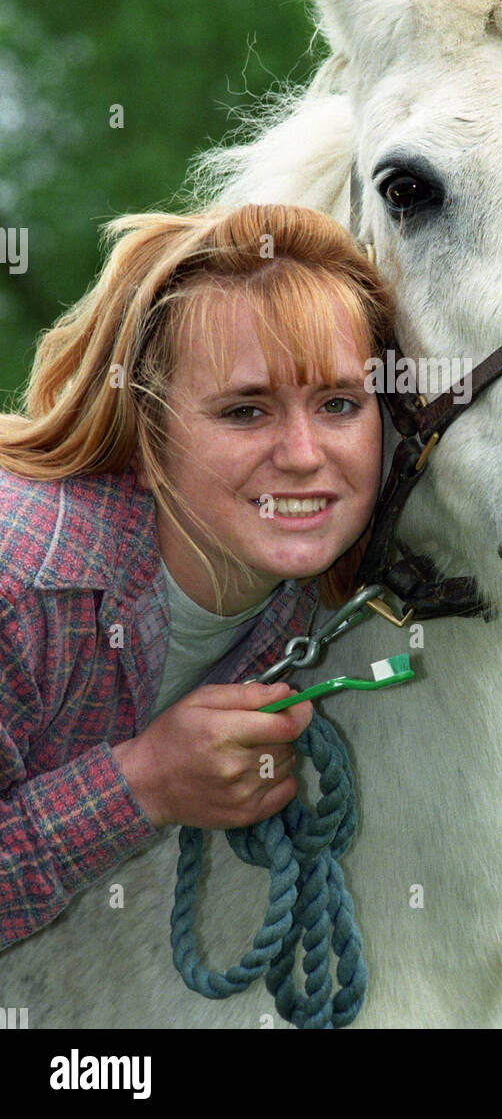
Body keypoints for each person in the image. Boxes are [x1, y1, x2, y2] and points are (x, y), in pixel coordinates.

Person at [0, 202, 396, 946]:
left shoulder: (324, 582)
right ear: (145, 441)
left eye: (339, 404)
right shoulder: (16, 591)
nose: (305, 454)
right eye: (247, 412)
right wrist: (145, 782)